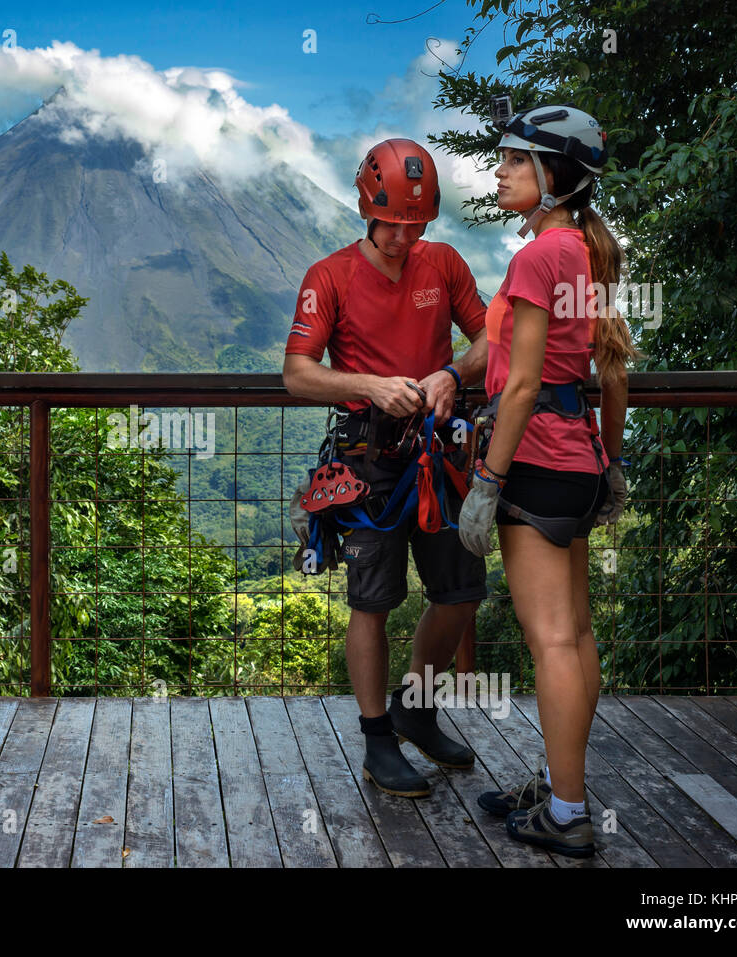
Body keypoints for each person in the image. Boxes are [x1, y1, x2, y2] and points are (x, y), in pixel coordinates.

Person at [457, 102, 640, 856]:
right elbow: (611, 369)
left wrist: (487, 481)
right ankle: (560, 780)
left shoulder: (538, 257)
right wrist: (614, 459)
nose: (499, 171)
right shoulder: (581, 249)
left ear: (552, 174)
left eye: (513, 161)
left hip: (532, 460)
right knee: (577, 635)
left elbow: (524, 385)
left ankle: (567, 814)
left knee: (552, 643)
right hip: (577, 461)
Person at [283, 138, 489, 798]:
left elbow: (494, 337)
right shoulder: (330, 276)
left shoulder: (444, 264)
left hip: (439, 451)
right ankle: (378, 741)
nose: (403, 237)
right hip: (368, 458)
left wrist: (452, 371)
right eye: (393, 223)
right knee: (371, 601)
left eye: (416, 224)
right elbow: (297, 373)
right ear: (367, 210)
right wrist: (371, 386)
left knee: (459, 591)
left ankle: (416, 709)